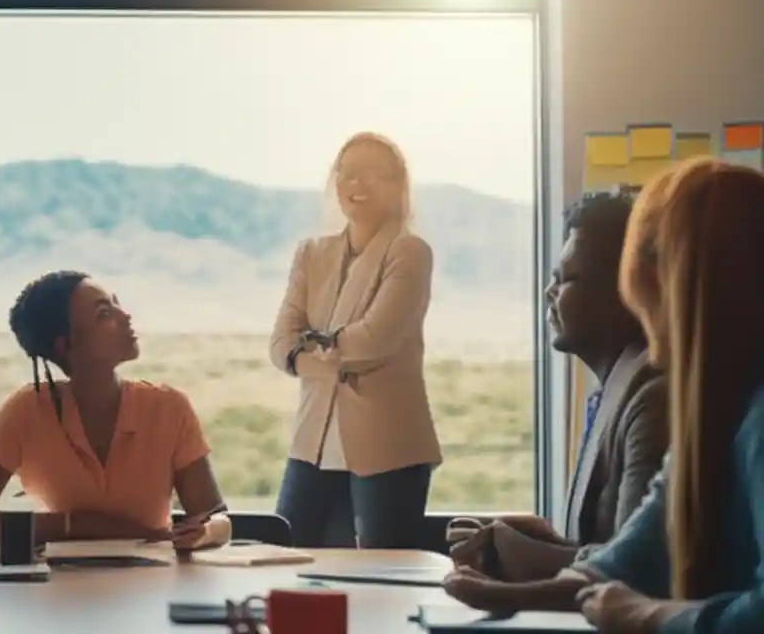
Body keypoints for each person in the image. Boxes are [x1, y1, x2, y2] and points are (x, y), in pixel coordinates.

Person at [444, 159, 764, 633]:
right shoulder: (715, 407)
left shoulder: (744, 413)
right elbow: (628, 560)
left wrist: (649, 616)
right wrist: (498, 593)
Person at [448, 189, 667, 582]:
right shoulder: (617, 388)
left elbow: (635, 572)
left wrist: (526, 558)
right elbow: (614, 548)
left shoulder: (653, 401)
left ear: (625, 292)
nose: (551, 292)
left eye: (568, 279)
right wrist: (547, 544)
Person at [0, 271, 232, 548]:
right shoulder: (26, 411)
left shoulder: (169, 408)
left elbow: (215, 518)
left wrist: (205, 532)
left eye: (116, 304)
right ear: (65, 346)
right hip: (58, 591)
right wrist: (77, 526)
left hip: (151, 584)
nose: (125, 316)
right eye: (104, 314)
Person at [269, 132, 440, 548]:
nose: (357, 185)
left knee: (383, 585)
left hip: (390, 447)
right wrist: (319, 354)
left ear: (399, 184)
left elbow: (375, 339)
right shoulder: (310, 254)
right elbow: (279, 345)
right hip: (313, 443)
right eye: (347, 173)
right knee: (288, 561)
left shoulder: (410, 251)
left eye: (373, 175)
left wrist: (309, 348)